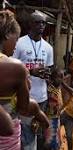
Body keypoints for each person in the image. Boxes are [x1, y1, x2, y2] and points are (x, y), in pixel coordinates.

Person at [12, 10, 54, 149]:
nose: (41, 25)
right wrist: (31, 71)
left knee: (37, 129)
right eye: (37, 22)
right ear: (30, 24)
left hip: (41, 97)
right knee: (25, 133)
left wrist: (48, 74)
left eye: (43, 23)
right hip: (24, 97)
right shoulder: (19, 43)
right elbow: (11, 67)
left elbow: (50, 70)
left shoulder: (48, 47)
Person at [0, 10, 29, 149]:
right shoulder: (15, 67)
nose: (16, 45)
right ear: (6, 34)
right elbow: (24, 108)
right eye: (16, 39)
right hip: (6, 141)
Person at [44, 67, 63, 150]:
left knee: (56, 138)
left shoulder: (58, 88)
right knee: (50, 139)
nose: (60, 80)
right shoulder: (49, 89)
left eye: (61, 77)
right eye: (57, 77)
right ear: (52, 78)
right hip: (50, 118)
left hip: (57, 117)